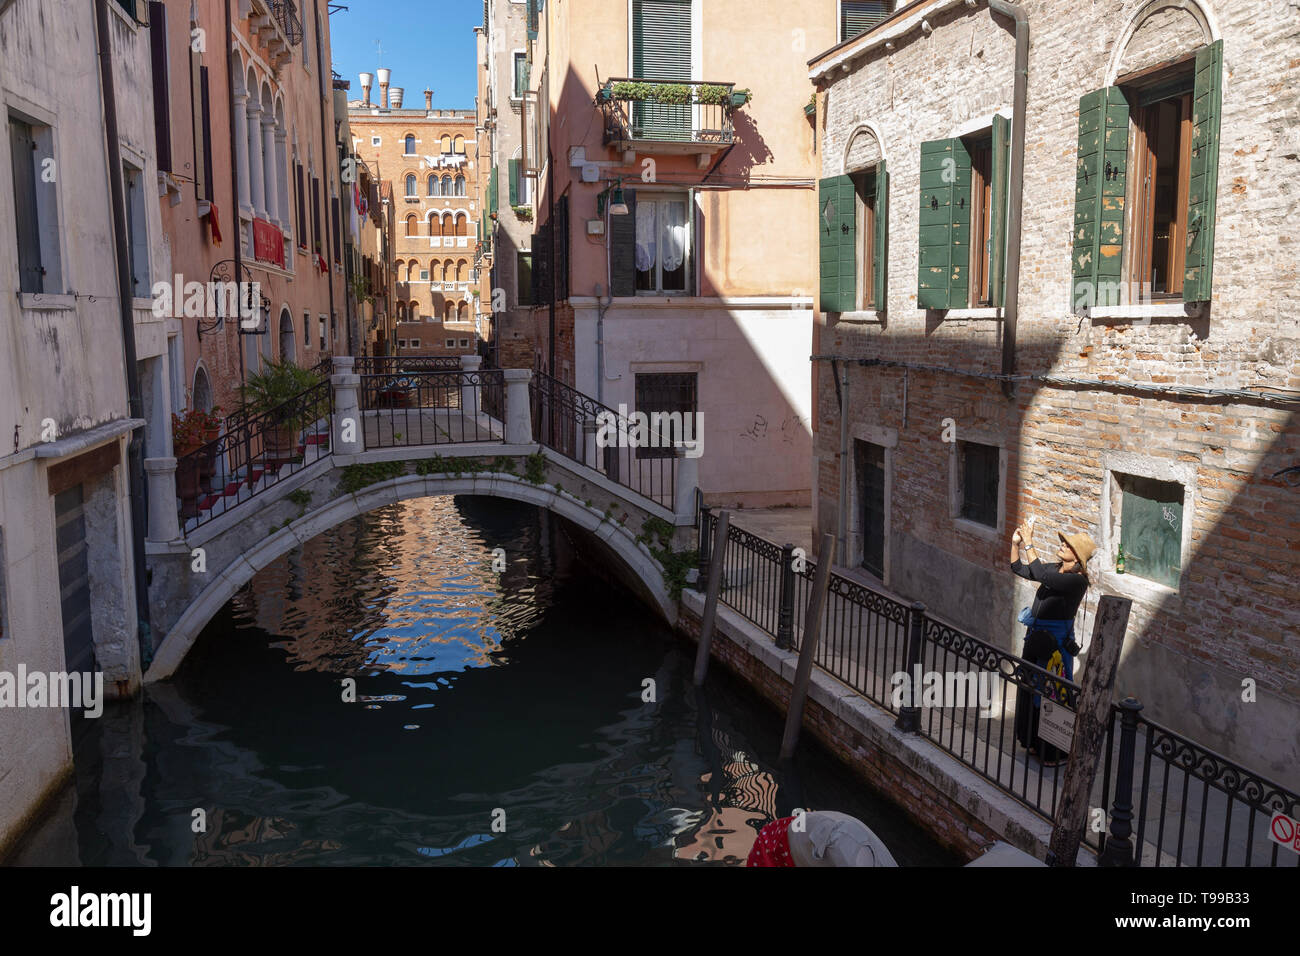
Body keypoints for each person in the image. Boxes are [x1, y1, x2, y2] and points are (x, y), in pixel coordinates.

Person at [1009, 522, 1095, 766]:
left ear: (1077, 556)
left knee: (1052, 696)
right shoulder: (1054, 568)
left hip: (1054, 647)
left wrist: (1030, 542)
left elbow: (1042, 575)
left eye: (1068, 545)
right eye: (1064, 542)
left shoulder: (1078, 582)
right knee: (1030, 688)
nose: (1063, 545)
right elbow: (1021, 569)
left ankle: (1054, 753)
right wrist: (1016, 544)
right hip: (1035, 640)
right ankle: (1034, 742)